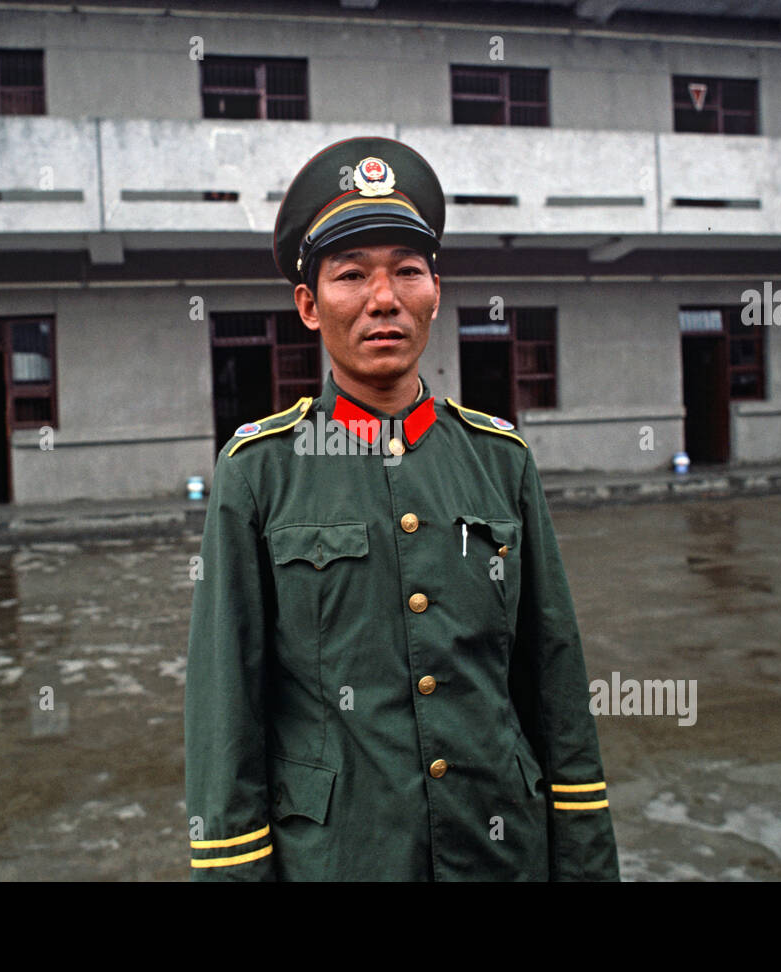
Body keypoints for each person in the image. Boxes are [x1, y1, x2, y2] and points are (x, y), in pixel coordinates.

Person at [184, 135, 619, 881]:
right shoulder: (260, 472)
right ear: (309, 305)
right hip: (344, 857)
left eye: (406, 272)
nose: (383, 299)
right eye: (351, 275)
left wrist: (583, 857)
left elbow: (553, 679)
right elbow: (228, 710)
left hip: (499, 852)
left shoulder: (499, 460)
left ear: (435, 291)